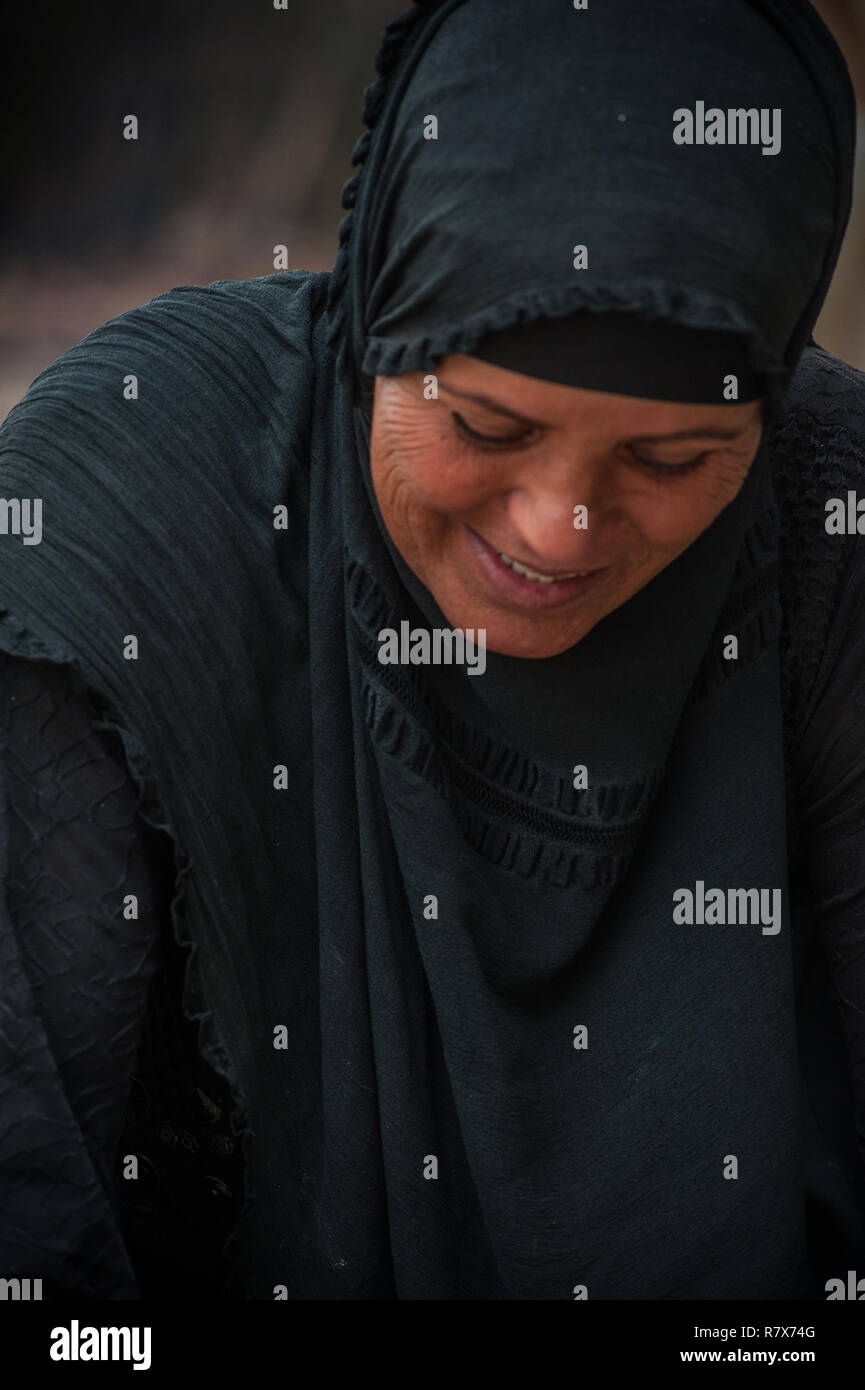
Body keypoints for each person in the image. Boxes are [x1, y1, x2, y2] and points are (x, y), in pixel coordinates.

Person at [0, 0, 864, 1301]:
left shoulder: (824, 517)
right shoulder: (122, 525)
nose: (557, 530)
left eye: (671, 459)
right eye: (484, 423)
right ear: (376, 314)